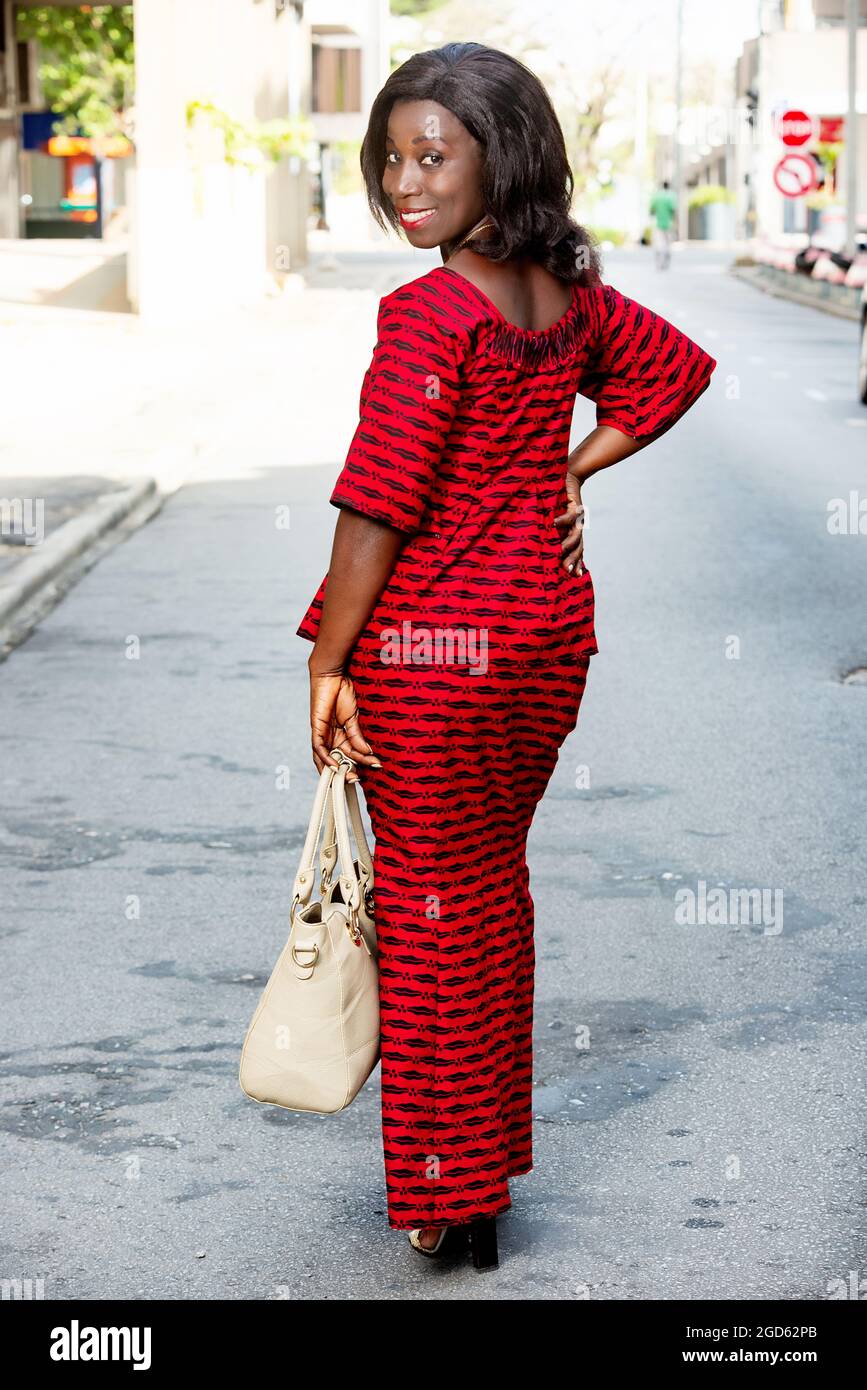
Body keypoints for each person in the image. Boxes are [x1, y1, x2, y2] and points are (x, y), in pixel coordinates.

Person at [295, 42, 717, 1270]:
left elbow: (377, 505)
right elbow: (673, 372)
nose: (406, 180)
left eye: (436, 153)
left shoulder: (431, 309)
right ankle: (482, 1173)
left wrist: (328, 662)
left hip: (432, 658)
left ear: (502, 155)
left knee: (430, 919)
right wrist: (569, 468)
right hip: (542, 642)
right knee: (482, 896)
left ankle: (447, 1195)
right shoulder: (566, 293)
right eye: (391, 156)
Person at [649, 178, 678, 269]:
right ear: (669, 186)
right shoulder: (671, 196)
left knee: (659, 243)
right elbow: (673, 210)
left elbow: (651, 211)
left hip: (658, 224)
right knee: (668, 244)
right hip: (668, 224)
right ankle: (666, 262)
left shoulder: (656, 196)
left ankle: (659, 262)